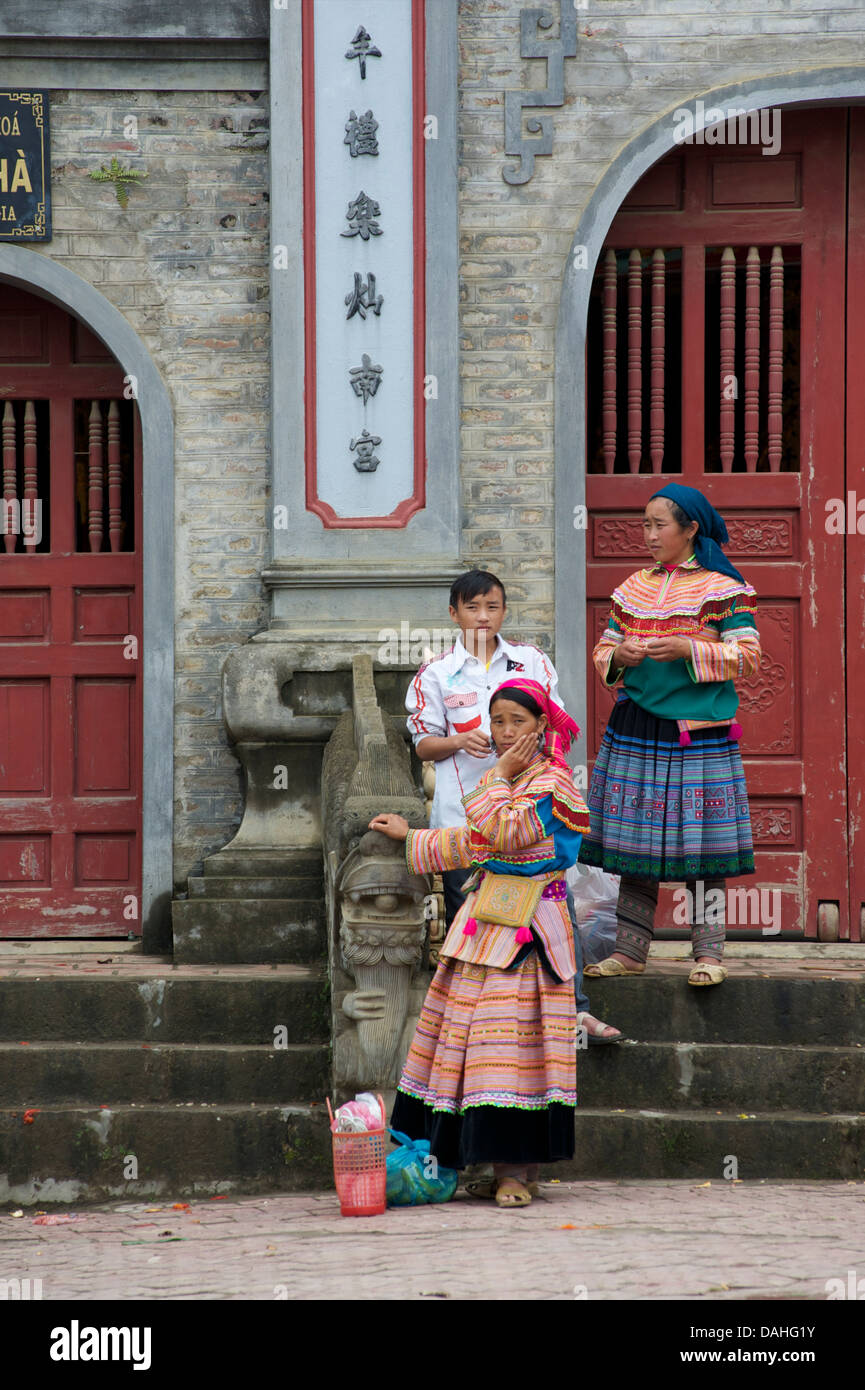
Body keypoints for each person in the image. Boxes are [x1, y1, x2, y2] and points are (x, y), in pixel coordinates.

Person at [370, 678, 590, 1207]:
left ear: (541, 726)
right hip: (484, 921)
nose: (507, 731)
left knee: (515, 1047)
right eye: (498, 721)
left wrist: (494, 774)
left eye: (518, 720)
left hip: (530, 930)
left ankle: (518, 1171)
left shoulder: (554, 784)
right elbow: (479, 841)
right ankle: (488, 1164)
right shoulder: (509, 780)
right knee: (468, 1042)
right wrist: (413, 837)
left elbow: (509, 834)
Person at [406, 567, 620, 1043]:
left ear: (504, 611)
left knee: (552, 916)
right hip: (467, 824)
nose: (483, 617)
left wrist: (547, 773)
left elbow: (559, 727)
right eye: (472, 607)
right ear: (454, 613)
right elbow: (422, 744)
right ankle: (489, 1022)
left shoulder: (530, 661)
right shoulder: (435, 673)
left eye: (493, 607)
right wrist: (460, 740)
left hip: (534, 821)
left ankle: (573, 1013)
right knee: (479, 923)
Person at [580, 483, 761, 986]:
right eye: (645, 524)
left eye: (659, 525)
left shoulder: (723, 590)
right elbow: (603, 651)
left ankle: (708, 954)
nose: (649, 534)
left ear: (690, 530)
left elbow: (747, 656)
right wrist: (620, 656)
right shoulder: (633, 587)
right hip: (636, 725)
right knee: (633, 842)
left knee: (702, 844)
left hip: (697, 732)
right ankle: (630, 951)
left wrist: (687, 648)